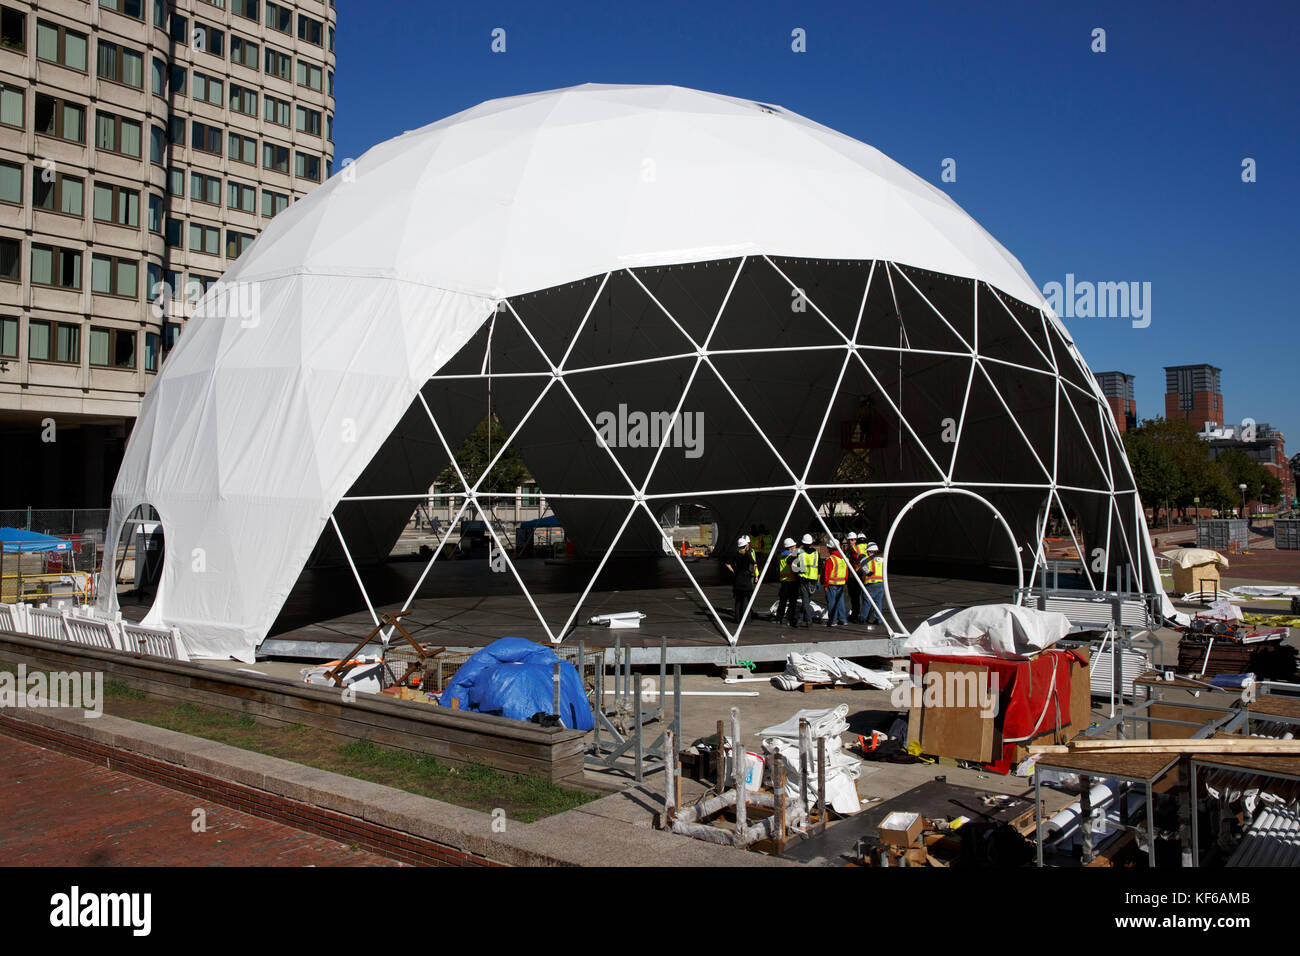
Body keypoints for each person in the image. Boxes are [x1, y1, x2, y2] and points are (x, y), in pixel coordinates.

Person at [724, 535, 759, 624]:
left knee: (738, 600)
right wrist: (753, 573)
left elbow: (727, 564)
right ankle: (746, 620)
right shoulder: (747, 555)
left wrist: (734, 571)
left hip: (737, 579)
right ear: (745, 545)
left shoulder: (735, 554)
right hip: (746, 579)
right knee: (746, 600)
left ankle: (737, 619)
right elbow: (754, 564)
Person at [792, 533, 820, 627]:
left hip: (803, 578)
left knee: (805, 600)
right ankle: (801, 618)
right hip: (813, 579)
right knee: (807, 599)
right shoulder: (816, 553)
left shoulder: (798, 552)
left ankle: (807, 619)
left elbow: (793, 566)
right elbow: (819, 567)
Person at [822, 538, 850, 626]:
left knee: (832, 602)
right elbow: (846, 573)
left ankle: (833, 621)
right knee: (840, 602)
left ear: (831, 548)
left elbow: (827, 573)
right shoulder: (844, 558)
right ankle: (843, 619)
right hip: (841, 583)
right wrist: (844, 581)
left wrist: (825, 585)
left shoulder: (831, 559)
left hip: (831, 584)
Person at [775, 537, 800, 626]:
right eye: (794, 545)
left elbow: (778, 569)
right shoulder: (792, 557)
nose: (795, 547)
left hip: (783, 582)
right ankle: (790, 619)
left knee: (782, 601)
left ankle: (779, 618)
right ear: (790, 547)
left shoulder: (781, 556)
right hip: (792, 582)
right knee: (792, 602)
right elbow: (796, 569)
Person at [861, 541, 885, 628]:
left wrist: (868, 573)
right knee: (878, 602)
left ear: (870, 551)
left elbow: (865, 570)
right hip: (881, 584)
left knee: (867, 602)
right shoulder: (882, 560)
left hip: (871, 584)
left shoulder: (865, 560)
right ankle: (878, 619)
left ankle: (862, 618)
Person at [845, 531, 861, 623]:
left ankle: (855, 615)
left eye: (853, 540)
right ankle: (855, 614)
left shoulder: (854, 550)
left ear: (856, 540)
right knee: (854, 597)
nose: (851, 541)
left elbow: (855, 563)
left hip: (854, 576)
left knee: (855, 597)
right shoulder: (850, 549)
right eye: (850, 540)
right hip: (851, 575)